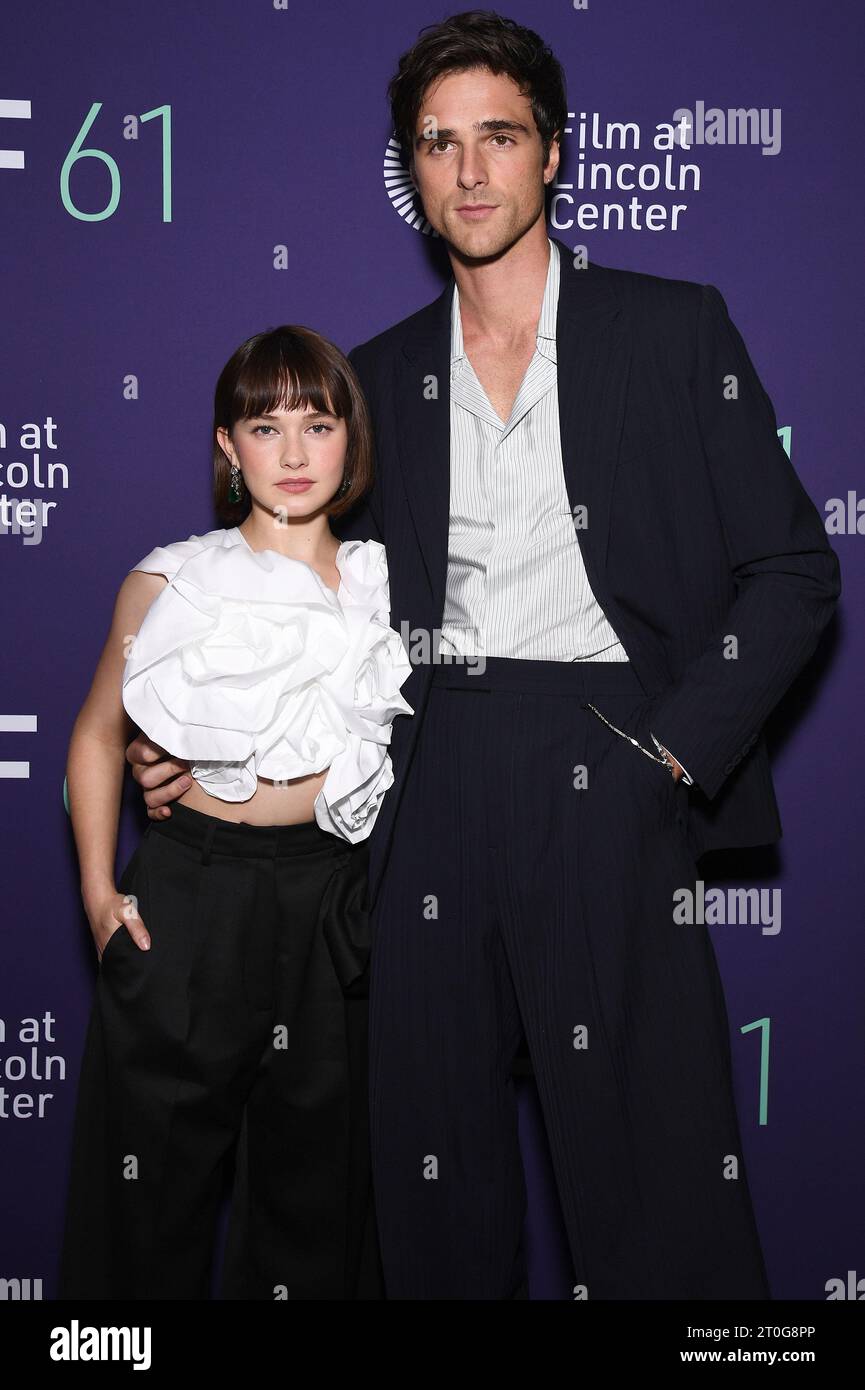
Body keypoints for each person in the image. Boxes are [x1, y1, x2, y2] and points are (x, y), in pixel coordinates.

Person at [126, 12, 841, 1300]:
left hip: (614, 764)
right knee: (435, 1202)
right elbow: (303, 589)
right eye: (437, 145)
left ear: (552, 155)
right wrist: (199, 739)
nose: (465, 173)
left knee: (664, 1196)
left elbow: (794, 570)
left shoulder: (673, 330)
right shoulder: (378, 380)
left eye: (495, 138)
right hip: (432, 786)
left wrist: (669, 753)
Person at [59, 324, 413, 1300]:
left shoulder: (389, 585)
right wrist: (98, 891)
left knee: (316, 1203)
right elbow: (95, 734)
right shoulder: (172, 576)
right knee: (144, 1195)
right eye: (265, 426)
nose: (293, 453)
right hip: (194, 891)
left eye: (317, 422)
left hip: (332, 903)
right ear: (227, 445)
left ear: (351, 439)